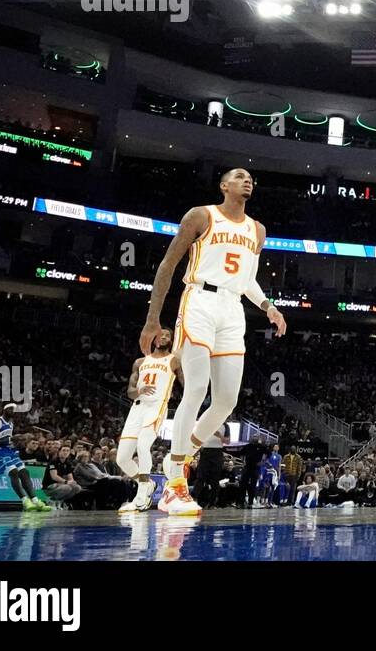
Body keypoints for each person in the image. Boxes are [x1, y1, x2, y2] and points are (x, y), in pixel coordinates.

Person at [138, 168, 287, 517]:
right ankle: (175, 484)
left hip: (233, 308)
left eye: (251, 177)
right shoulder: (201, 215)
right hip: (199, 301)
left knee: (225, 401)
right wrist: (152, 320)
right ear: (223, 185)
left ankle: (181, 458)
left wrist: (269, 307)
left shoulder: (257, 230)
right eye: (239, 176)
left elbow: (248, 279)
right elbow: (167, 266)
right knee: (196, 389)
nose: (247, 180)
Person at [116, 326, 181, 513]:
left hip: (157, 405)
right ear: (154, 339)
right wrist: (139, 391)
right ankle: (147, 483)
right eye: (161, 335)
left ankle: (141, 496)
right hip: (137, 408)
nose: (164, 337)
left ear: (171, 341)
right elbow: (129, 391)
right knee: (122, 459)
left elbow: (186, 383)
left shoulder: (174, 360)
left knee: (143, 446)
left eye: (168, 335)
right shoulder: (140, 362)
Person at [0, 403, 49, 512]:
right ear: (4, 410)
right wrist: (11, 440)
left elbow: (8, 441)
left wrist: (17, 441)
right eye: (10, 409)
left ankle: (35, 500)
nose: (12, 411)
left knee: (24, 472)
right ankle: (25, 501)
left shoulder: (11, 424)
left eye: (14, 409)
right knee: (14, 472)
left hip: (7, 451)